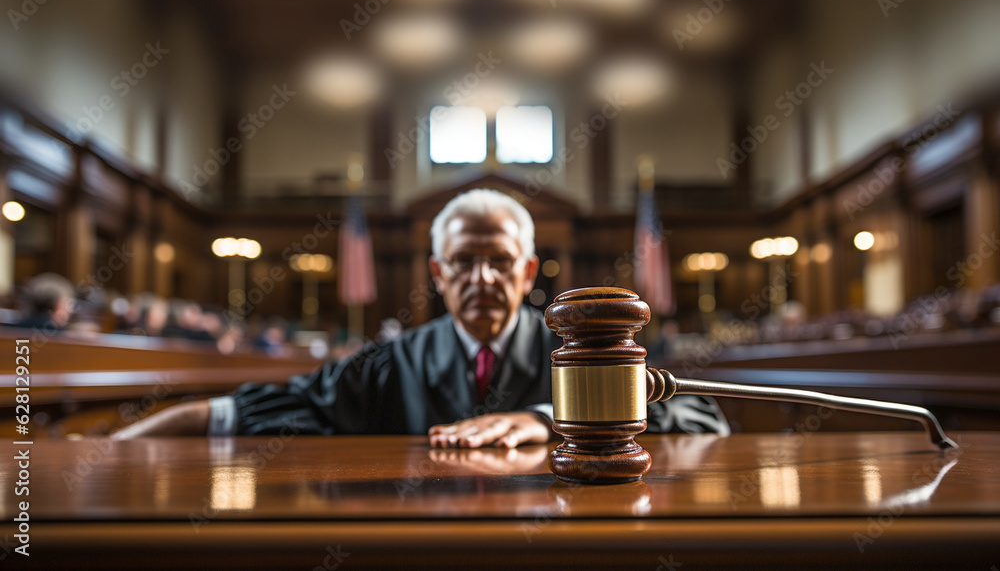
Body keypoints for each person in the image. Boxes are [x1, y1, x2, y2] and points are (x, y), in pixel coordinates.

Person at [112, 189, 729, 446]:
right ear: (437, 273)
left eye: (499, 262)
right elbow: (243, 413)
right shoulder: (390, 364)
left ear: (526, 270)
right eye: (462, 262)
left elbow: (702, 418)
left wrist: (548, 419)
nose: (480, 279)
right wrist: (112, 449)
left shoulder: (586, 352)